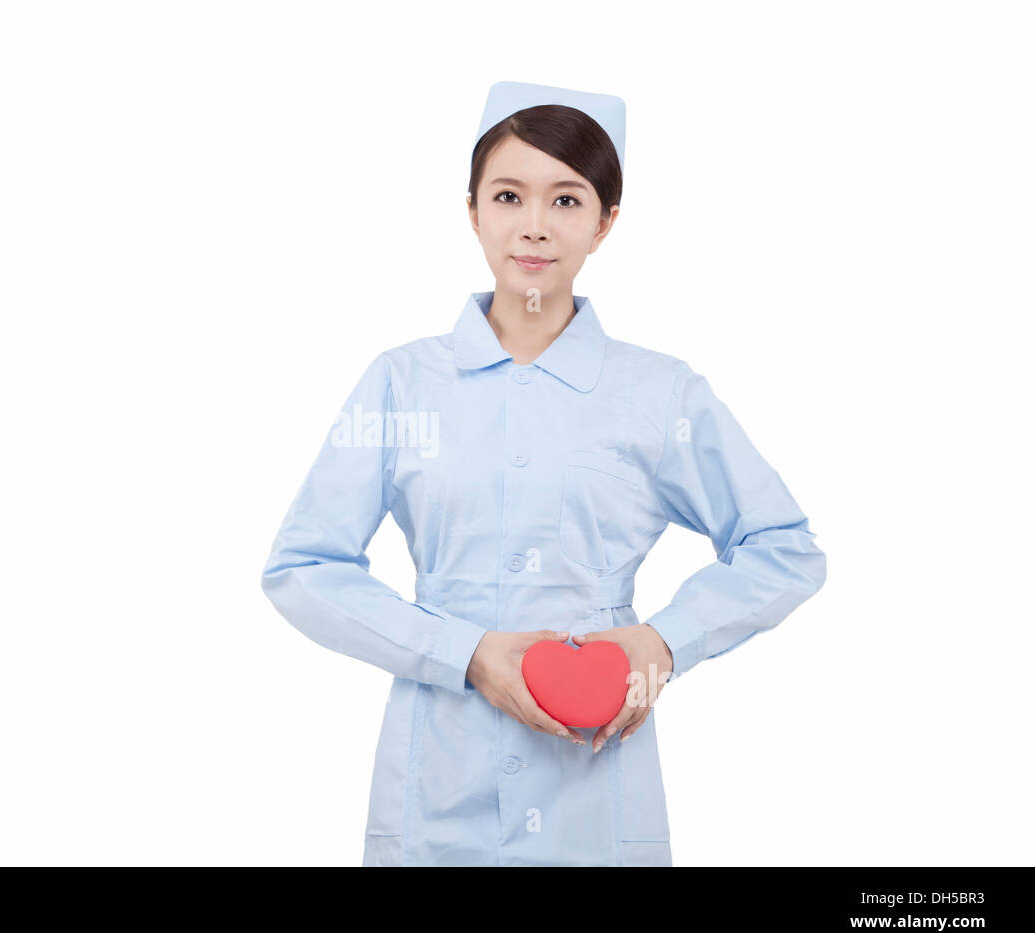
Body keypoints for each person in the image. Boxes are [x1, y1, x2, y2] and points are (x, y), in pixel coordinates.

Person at [259, 81, 827, 866]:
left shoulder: (661, 393)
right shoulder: (401, 384)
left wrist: (663, 643)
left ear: (605, 223)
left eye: (566, 200)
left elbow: (784, 546)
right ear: (472, 211)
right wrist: (459, 652)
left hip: (595, 782)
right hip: (438, 785)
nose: (533, 226)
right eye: (508, 195)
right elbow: (303, 568)